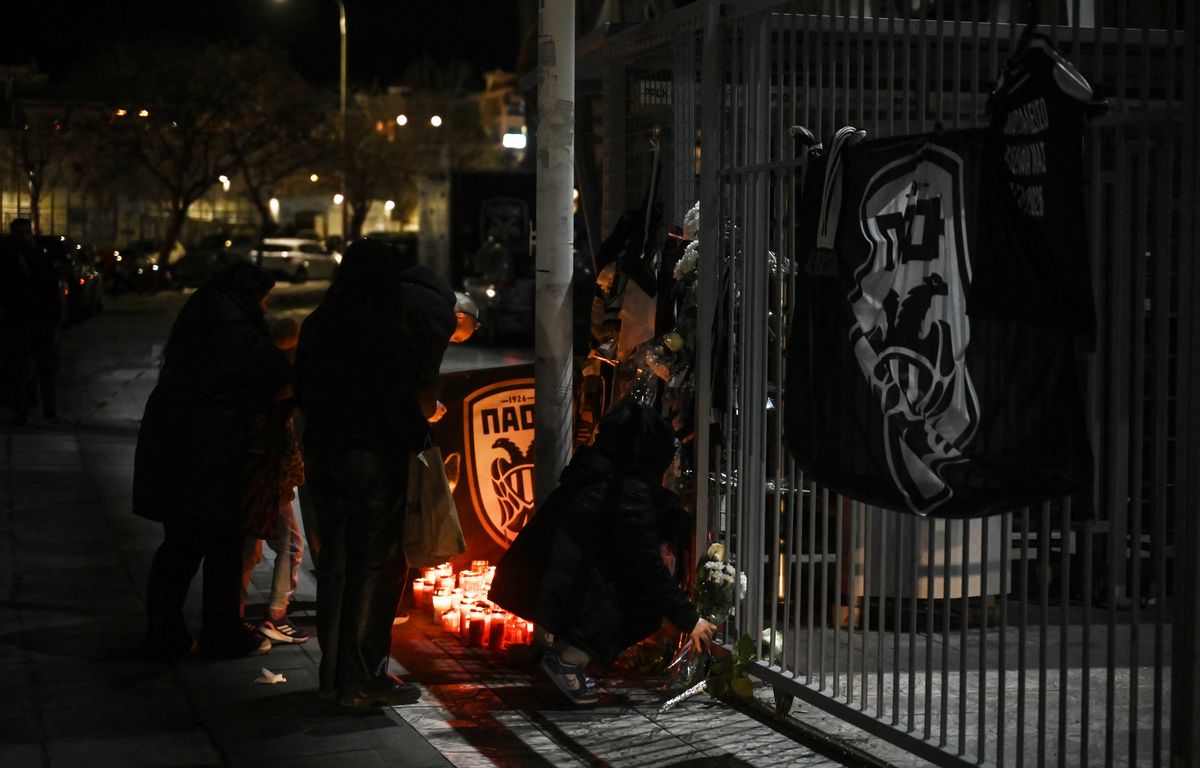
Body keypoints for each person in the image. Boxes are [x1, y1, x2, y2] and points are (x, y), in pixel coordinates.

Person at [294, 238, 457, 709]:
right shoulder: (389, 328)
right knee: (375, 568)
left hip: (323, 455)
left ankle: (333, 676)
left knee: (336, 565)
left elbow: (302, 389)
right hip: (373, 457)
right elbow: (404, 398)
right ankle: (362, 679)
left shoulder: (320, 323)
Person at [488, 401, 718, 706]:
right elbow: (645, 564)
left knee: (625, 588)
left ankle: (564, 655)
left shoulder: (600, 473)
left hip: (554, 580)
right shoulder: (625, 490)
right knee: (643, 602)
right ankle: (568, 661)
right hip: (567, 586)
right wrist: (690, 620)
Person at [134, 262, 291, 659]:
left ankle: (164, 632)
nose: (266, 307)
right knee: (222, 542)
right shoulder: (237, 330)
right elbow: (276, 378)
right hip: (215, 450)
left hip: (175, 442)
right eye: (265, 299)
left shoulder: (203, 313)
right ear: (250, 295)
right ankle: (222, 633)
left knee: (181, 543)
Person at [239, 316, 310, 645]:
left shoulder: (252, 369)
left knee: (250, 548)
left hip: (255, 472)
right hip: (267, 473)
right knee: (289, 544)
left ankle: (236, 614)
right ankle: (276, 615)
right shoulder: (275, 380)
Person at [0, 218, 62, 425]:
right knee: (31, 368)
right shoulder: (17, 257)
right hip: (24, 320)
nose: (24, 237)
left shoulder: (27, 257)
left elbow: (51, 289)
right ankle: (38, 412)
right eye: (21, 233)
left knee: (32, 368)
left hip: (29, 320)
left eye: (26, 232)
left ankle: (31, 412)